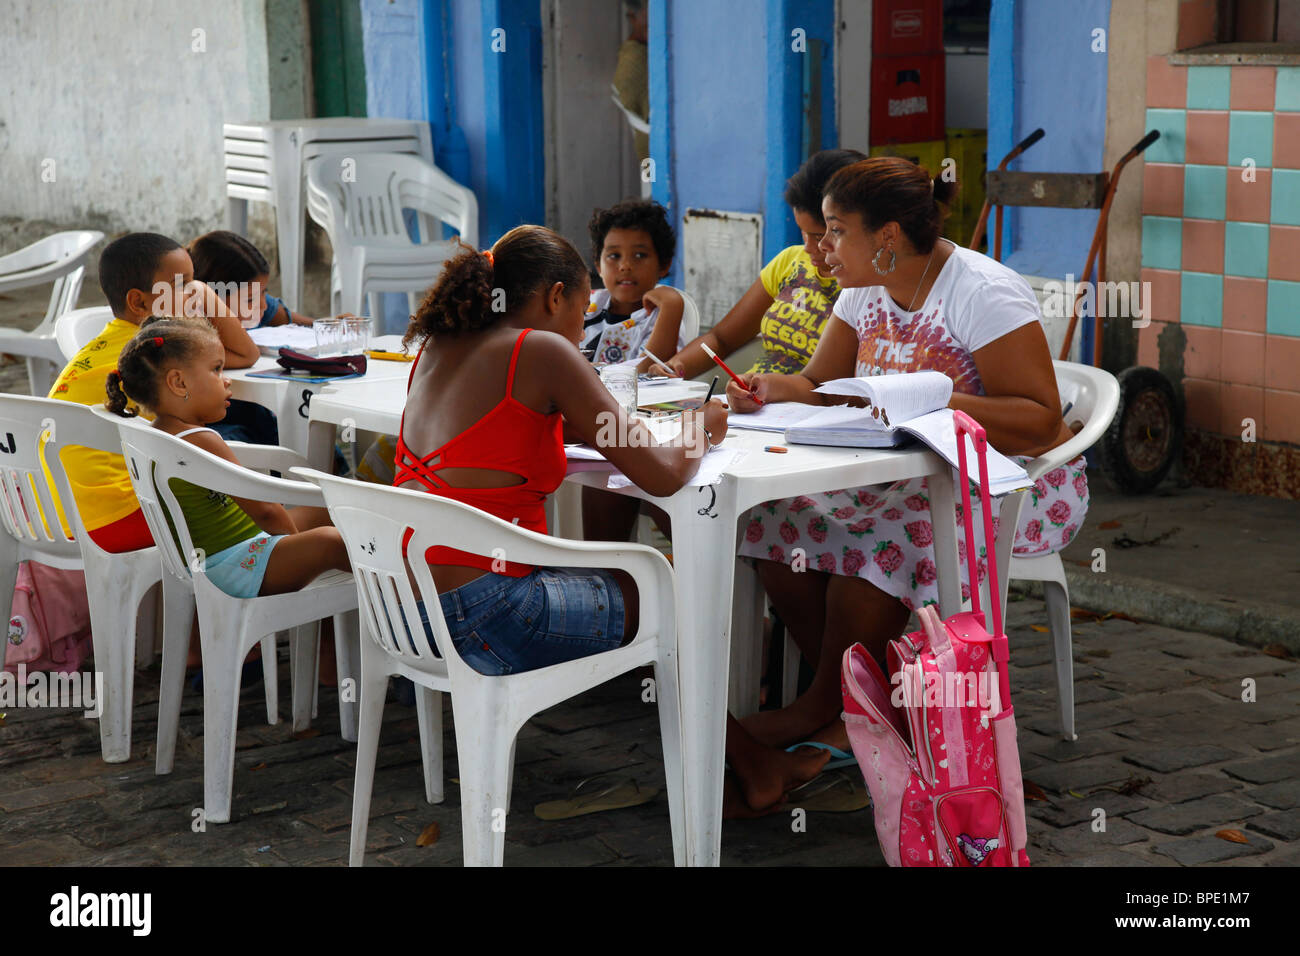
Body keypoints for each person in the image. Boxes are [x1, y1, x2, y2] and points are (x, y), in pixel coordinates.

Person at [394, 224, 824, 812]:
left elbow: (536, 428)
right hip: (490, 615)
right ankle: (747, 767)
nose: (584, 321)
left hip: (406, 606)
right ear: (554, 296)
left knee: (651, 586)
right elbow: (664, 475)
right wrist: (706, 423)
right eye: (583, 304)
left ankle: (750, 762)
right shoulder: (539, 350)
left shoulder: (438, 347)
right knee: (671, 590)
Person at [728, 157, 1089, 753]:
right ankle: (863, 703)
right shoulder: (862, 291)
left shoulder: (982, 291)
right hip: (899, 472)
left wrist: (934, 403)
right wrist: (767, 387)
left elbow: (1038, 419)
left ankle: (826, 711)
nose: (824, 249)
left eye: (837, 230)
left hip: (1006, 480)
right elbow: (822, 381)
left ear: (887, 236)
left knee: (880, 540)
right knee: (774, 523)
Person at [104, 317, 349, 598]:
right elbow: (266, 510)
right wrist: (297, 547)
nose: (227, 379)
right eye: (217, 369)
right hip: (235, 568)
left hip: (215, 563)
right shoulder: (200, 440)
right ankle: (399, 596)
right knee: (329, 541)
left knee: (328, 513)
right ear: (179, 382)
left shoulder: (157, 433)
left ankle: (331, 630)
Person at [48, 233, 258, 553]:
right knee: (243, 511)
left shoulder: (111, 343)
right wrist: (205, 292)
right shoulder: (157, 357)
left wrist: (193, 286)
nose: (195, 294)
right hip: (112, 520)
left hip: (53, 512)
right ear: (140, 302)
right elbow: (246, 354)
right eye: (182, 285)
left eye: (195, 282)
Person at [666, 149, 866, 380]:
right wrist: (674, 369)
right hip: (755, 405)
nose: (810, 248)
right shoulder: (790, 263)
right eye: (804, 233)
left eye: (821, 236)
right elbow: (721, 339)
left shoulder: (867, 285)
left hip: (809, 409)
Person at [583, 199, 684, 372]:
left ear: (664, 265)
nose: (625, 266)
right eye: (614, 255)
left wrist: (671, 307)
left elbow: (646, 373)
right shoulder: (586, 304)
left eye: (639, 255)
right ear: (598, 266)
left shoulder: (661, 317)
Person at [613, 0, 650, 164]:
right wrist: (651, 177)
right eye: (646, 15)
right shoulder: (634, 60)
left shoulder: (645, 52)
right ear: (632, 17)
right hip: (652, 159)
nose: (650, 21)